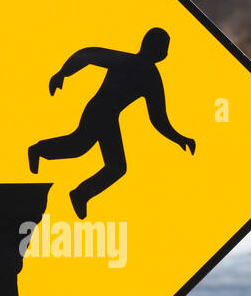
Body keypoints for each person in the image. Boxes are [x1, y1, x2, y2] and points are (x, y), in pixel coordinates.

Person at [29, 27, 195, 219]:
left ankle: (78, 191)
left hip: (108, 116)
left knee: (108, 162)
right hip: (98, 111)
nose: (165, 52)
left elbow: (158, 118)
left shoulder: (151, 78)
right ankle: (41, 154)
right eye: (163, 47)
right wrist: (62, 73)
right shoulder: (127, 62)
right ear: (151, 47)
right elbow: (87, 55)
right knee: (82, 149)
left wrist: (179, 138)